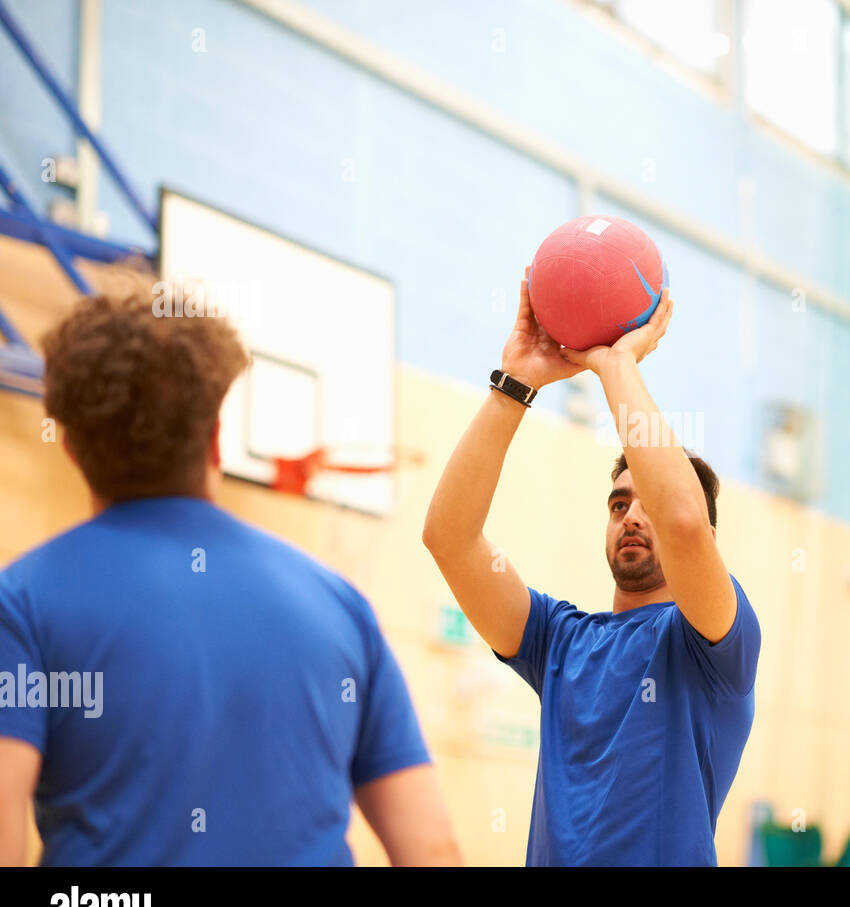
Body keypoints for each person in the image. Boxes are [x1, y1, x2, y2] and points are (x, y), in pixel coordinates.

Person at [0, 291, 459, 866]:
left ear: (68, 446)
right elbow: (432, 850)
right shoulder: (340, 606)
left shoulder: (20, 603)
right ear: (217, 437)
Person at [423, 271, 760, 865]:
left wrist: (616, 365)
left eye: (647, 501)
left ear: (710, 539)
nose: (632, 515)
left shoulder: (713, 643)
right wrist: (516, 383)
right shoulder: (557, 639)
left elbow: (682, 520)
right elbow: (449, 539)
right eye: (618, 504)